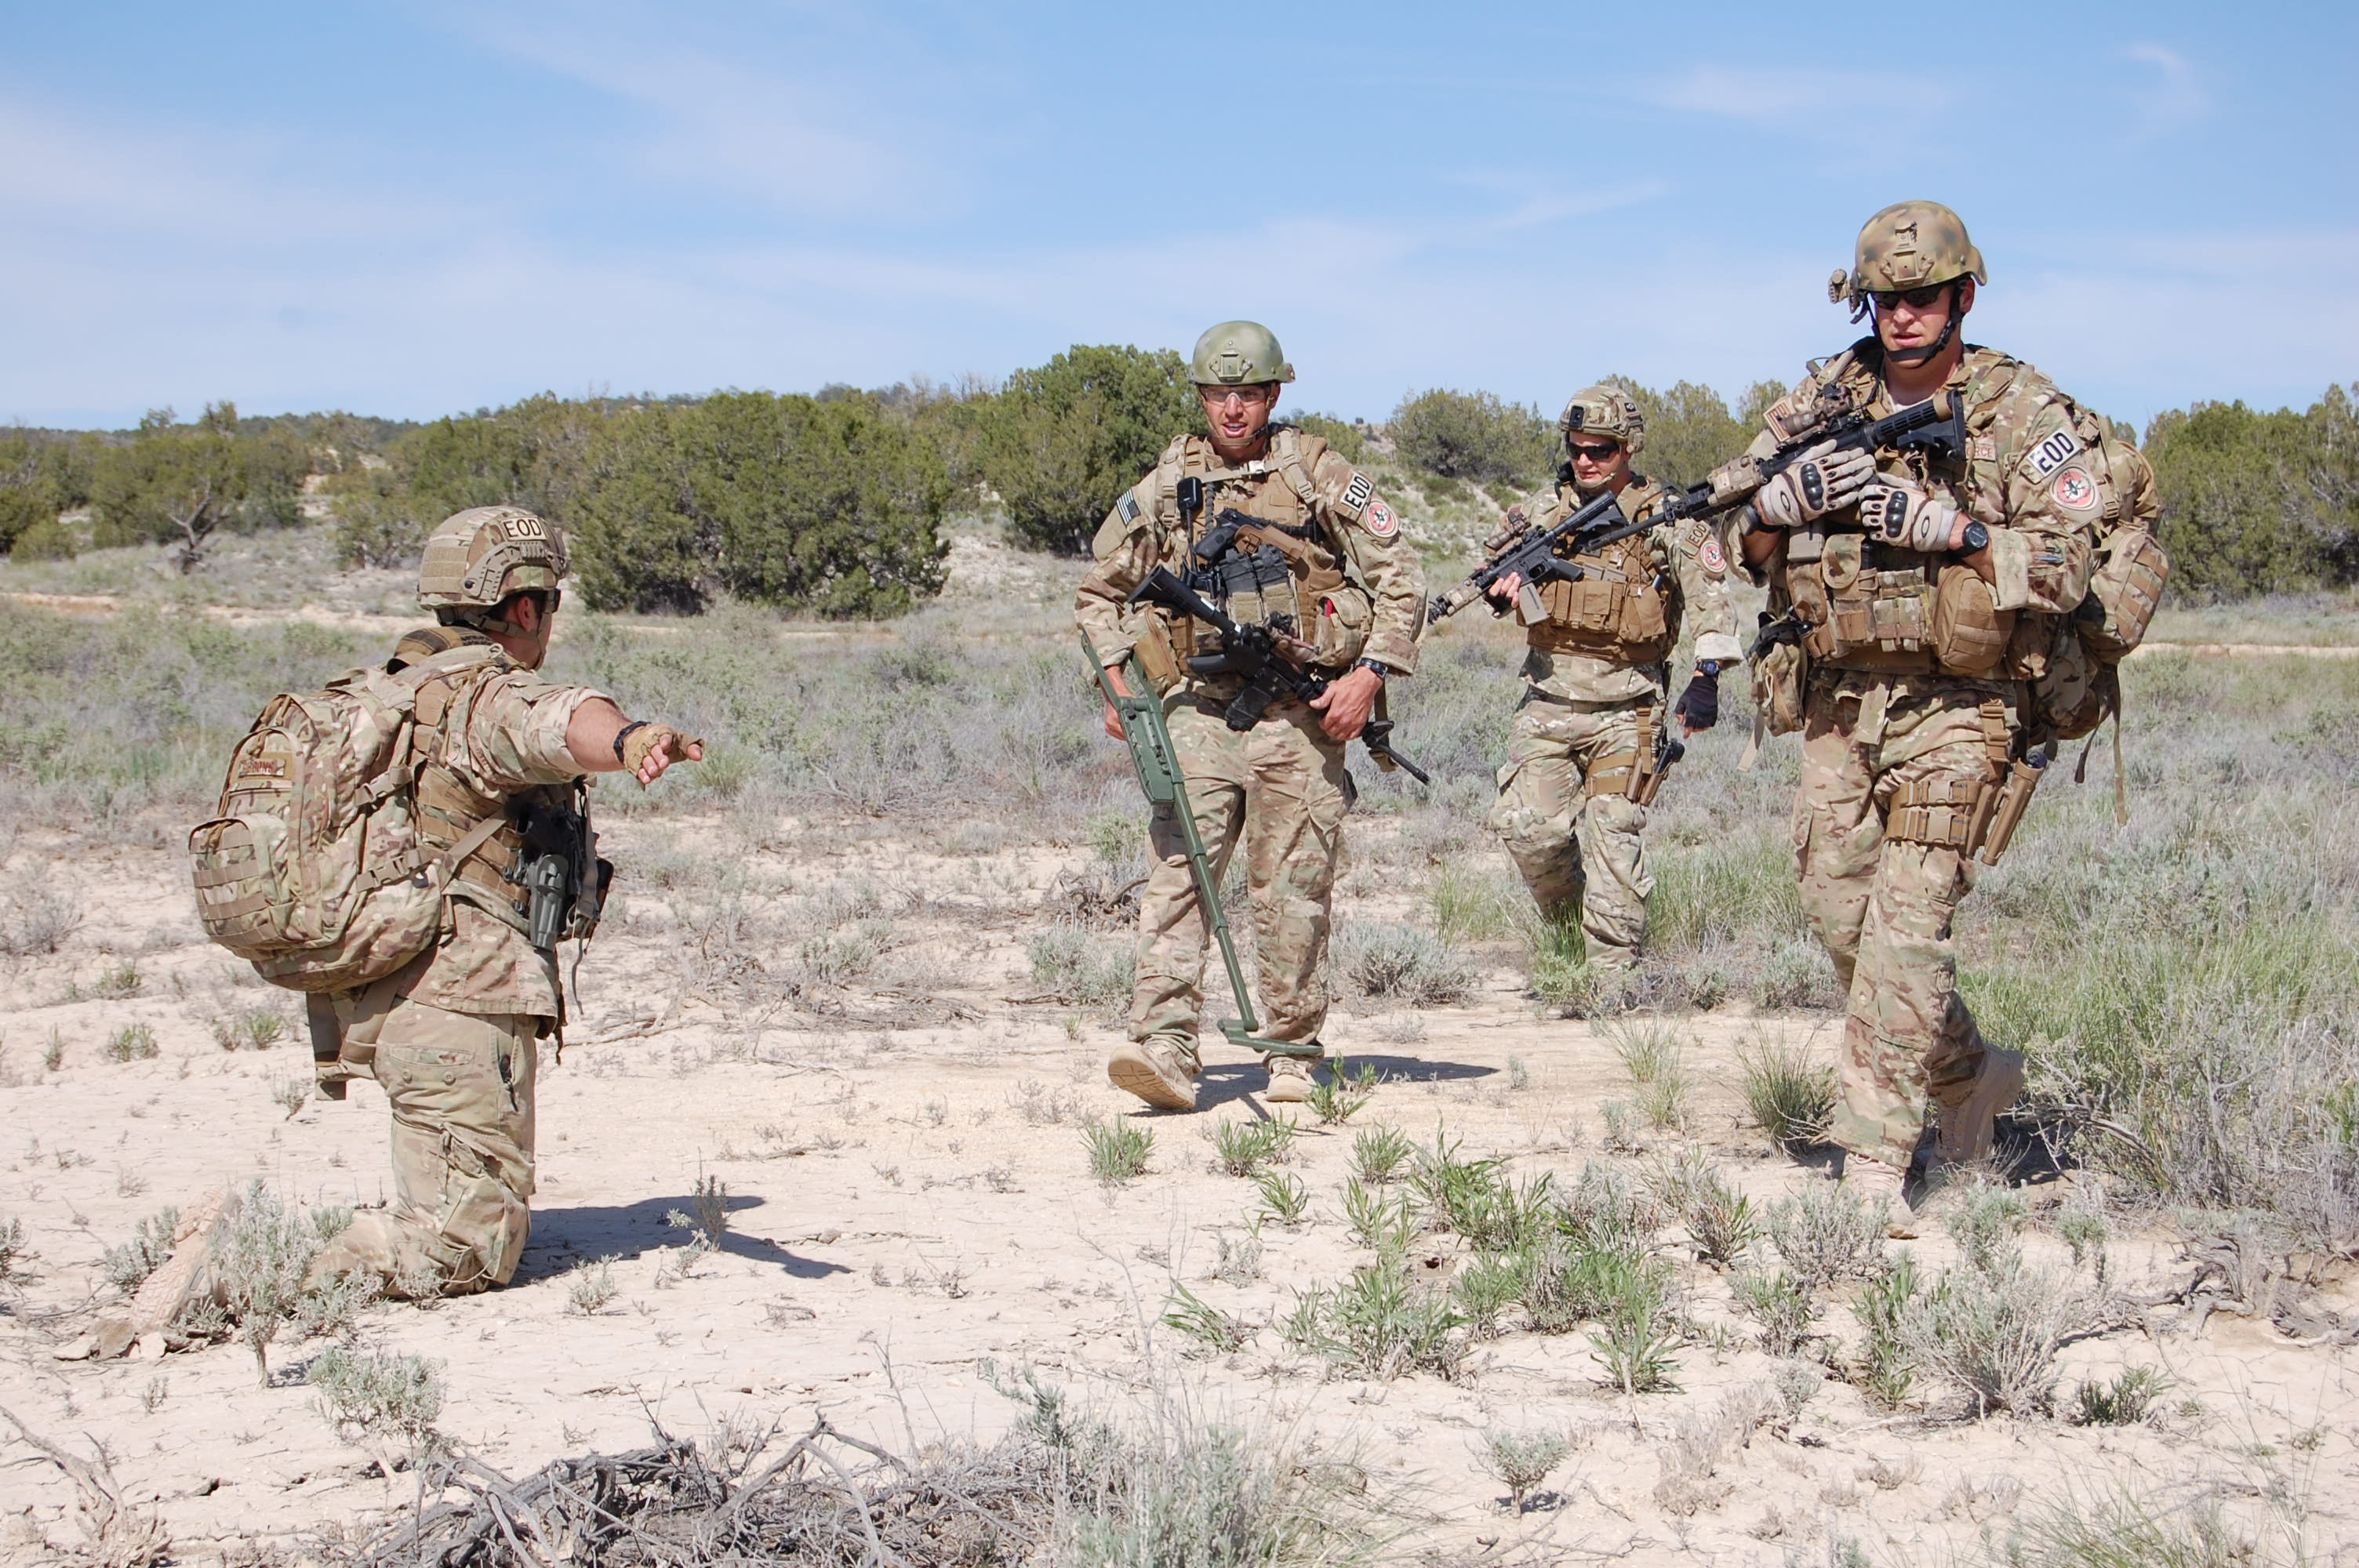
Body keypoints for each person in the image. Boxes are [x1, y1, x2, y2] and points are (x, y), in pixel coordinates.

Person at [1735, 201, 2103, 1231]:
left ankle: (1871, 1171)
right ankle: (1973, 1078)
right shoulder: (1820, 395)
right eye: (1883, 300)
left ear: (1964, 296)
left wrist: (1963, 531)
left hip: (1966, 706)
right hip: (1839, 698)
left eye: (1922, 298)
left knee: (1906, 937)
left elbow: (2079, 560)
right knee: (1844, 923)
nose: (1901, 317)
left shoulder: (2021, 410)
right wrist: (1772, 509)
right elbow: (1737, 537)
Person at [305, 506, 701, 1295]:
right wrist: (629, 740)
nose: (548, 622)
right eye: (547, 604)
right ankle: (260, 1276)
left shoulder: (388, 689)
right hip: (457, 996)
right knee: (462, 1253)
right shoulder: (483, 697)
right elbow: (561, 720)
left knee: (471, 1212)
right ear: (523, 606)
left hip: (382, 979)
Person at [1076, 322, 1425, 1109]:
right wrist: (1117, 686)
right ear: (1201, 396)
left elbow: (1401, 575)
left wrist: (1368, 676)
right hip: (1194, 713)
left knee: (1292, 891)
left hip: (1298, 718)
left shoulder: (1317, 471)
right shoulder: (1170, 479)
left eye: (1247, 393)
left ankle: (1290, 1049)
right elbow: (1099, 589)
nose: (1231, 409)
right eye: (1216, 393)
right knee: (1178, 880)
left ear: (1272, 394)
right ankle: (1163, 1048)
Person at [1484, 384, 1742, 988]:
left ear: (1628, 449)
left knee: (1612, 837)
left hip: (1629, 706)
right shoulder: (1544, 512)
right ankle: (1568, 928)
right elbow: (1497, 575)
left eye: (1600, 450)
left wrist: (1706, 677)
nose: (1585, 461)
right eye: (1576, 449)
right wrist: (1505, 592)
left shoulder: (1666, 515)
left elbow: (1711, 601)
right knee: (1529, 829)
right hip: (1549, 699)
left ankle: (1612, 981)